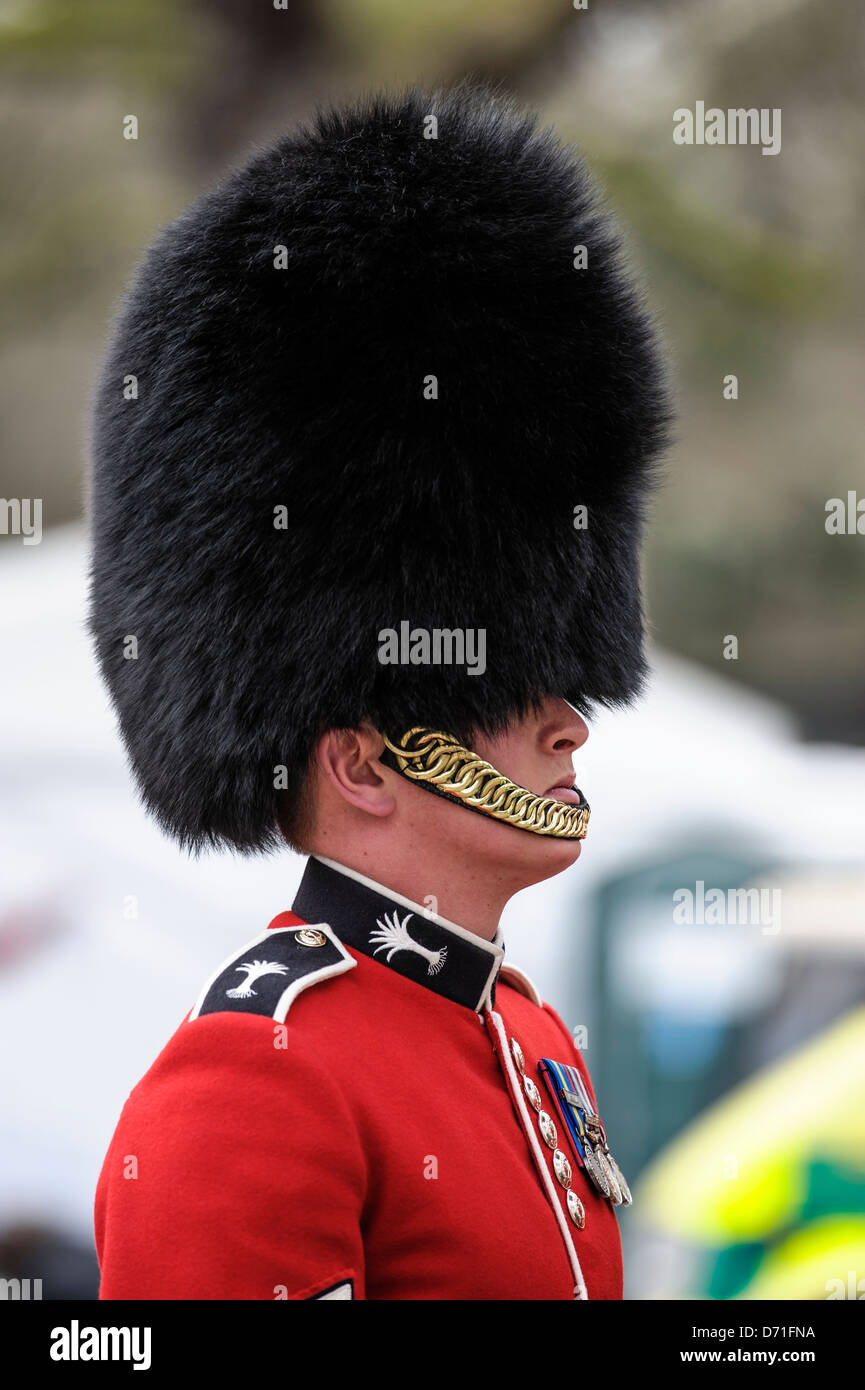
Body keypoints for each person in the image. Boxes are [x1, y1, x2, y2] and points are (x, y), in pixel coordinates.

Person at [90, 83, 671, 1300]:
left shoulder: (524, 1034)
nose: (571, 717)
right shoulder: (260, 1076)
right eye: (513, 684)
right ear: (362, 761)